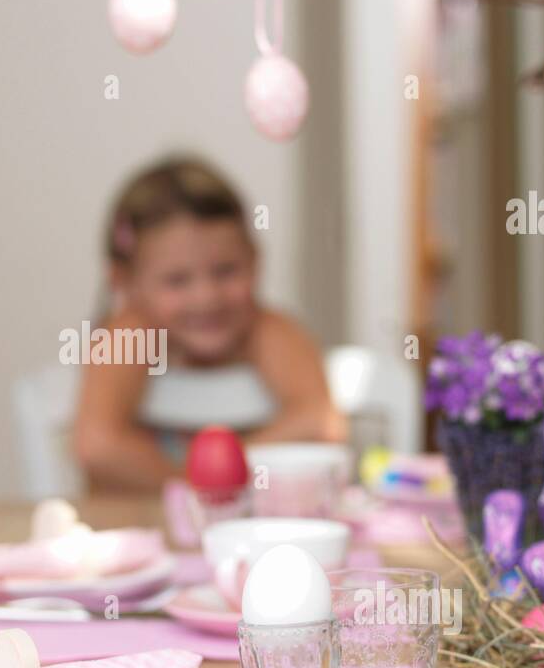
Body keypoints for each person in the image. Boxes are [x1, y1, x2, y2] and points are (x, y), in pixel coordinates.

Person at [73, 154, 347, 491]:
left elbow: (320, 424)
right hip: (144, 535)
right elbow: (97, 447)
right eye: (177, 281)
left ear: (255, 261)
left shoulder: (267, 332)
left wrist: (223, 473)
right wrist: (197, 489)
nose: (206, 298)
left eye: (225, 271)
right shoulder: (128, 337)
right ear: (124, 282)